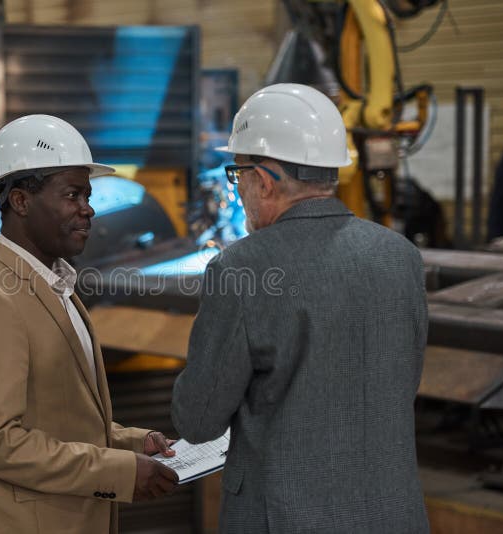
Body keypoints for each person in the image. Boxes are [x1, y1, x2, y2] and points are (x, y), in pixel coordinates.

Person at [171, 84, 429, 533]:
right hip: (395, 516)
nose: (240, 192)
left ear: (264, 181)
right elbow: (397, 386)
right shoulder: (400, 255)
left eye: (238, 177)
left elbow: (198, 418)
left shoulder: (241, 267)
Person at [0, 114, 178, 534]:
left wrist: (130, 442)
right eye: (72, 195)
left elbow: (62, 420)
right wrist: (117, 471)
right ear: (20, 201)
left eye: (87, 195)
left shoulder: (56, 285)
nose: (87, 210)